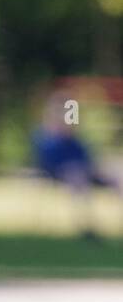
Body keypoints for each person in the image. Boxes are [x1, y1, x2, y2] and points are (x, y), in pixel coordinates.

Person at [31, 92, 123, 239]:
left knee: (118, 172)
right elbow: (47, 159)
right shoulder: (43, 135)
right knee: (77, 175)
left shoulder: (74, 138)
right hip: (60, 172)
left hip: (84, 169)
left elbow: (86, 155)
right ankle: (87, 225)